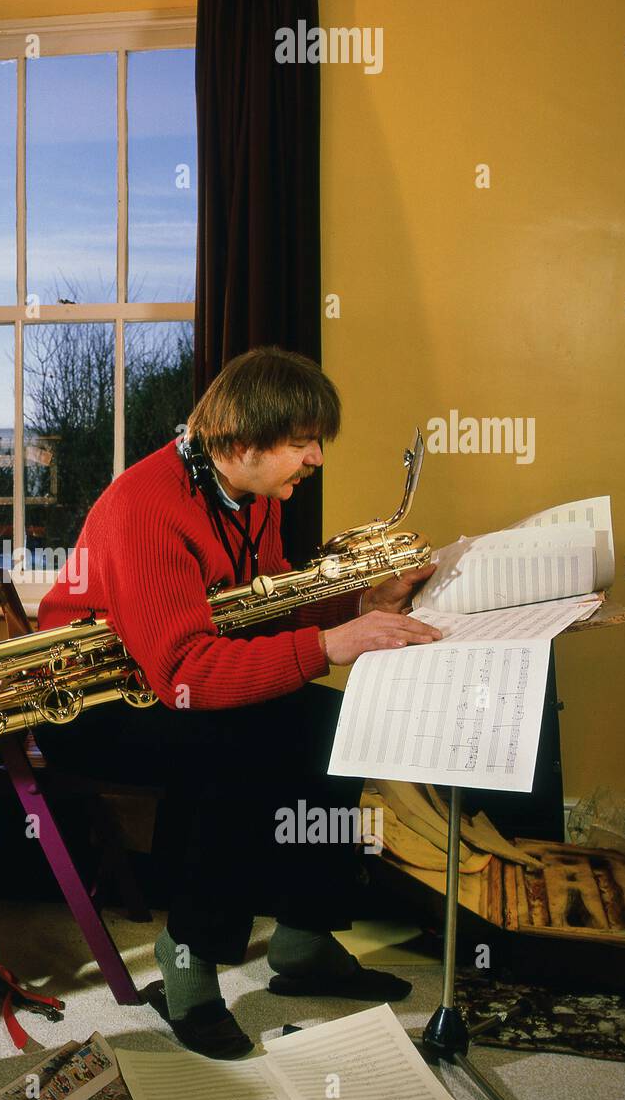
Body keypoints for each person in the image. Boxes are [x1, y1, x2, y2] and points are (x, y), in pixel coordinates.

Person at [35, 346, 442, 1059]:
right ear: (240, 442)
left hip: (166, 673)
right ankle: (188, 954)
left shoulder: (250, 497)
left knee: (336, 724)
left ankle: (303, 935)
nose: (316, 458)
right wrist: (332, 645)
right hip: (89, 702)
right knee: (236, 750)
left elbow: (266, 602)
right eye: (302, 443)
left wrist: (357, 603)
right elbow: (186, 673)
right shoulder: (146, 506)